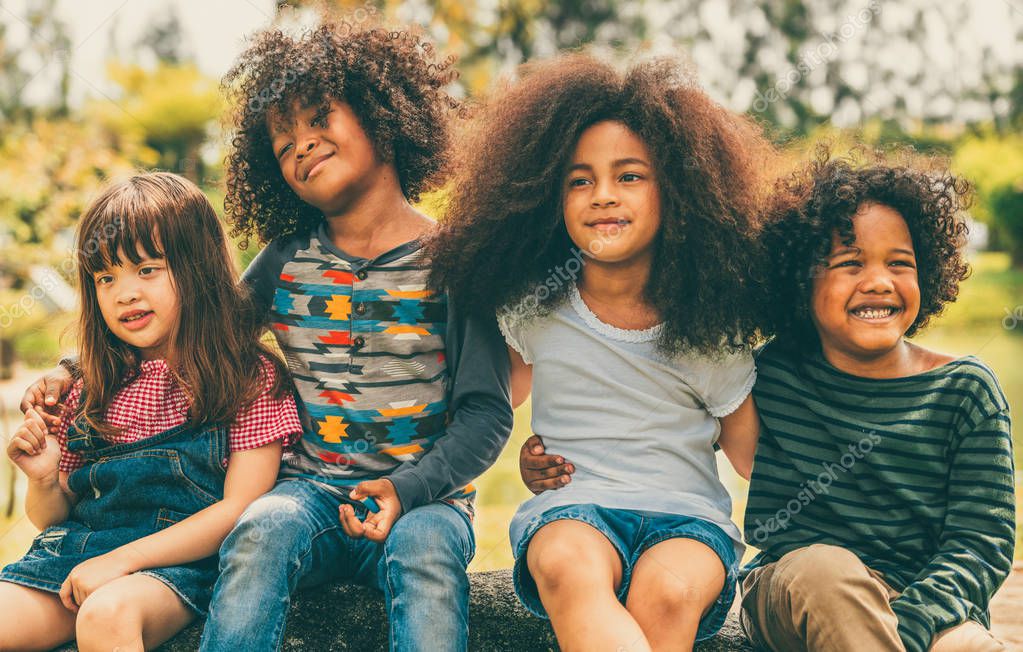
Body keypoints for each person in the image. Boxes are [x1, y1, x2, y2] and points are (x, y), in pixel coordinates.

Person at [428, 53, 772, 651]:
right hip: (574, 512)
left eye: (630, 176)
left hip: (688, 521)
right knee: (567, 565)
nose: (602, 195)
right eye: (579, 180)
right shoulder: (535, 309)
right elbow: (489, 408)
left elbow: (756, 463)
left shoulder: (710, 334)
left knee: (665, 595)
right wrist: (529, 461)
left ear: (680, 195)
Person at [2, 172, 301, 651]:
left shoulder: (247, 378)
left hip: (177, 568)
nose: (125, 293)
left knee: (107, 614)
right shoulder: (91, 385)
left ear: (198, 269)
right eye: (105, 277)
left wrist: (122, 561)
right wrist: (42, 479)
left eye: (147, 270)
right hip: (75, 559)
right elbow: (54, 517)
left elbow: (239, 508)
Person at [740, 149, 1014, 652]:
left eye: (899, 263)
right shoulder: (768, 374)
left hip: (930, 604)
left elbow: (981, 545)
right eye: (850, 263)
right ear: (802, 283)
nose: (879, 281)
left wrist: (905, 627)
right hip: (798, 586)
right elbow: (668, 429)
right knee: (829, 569)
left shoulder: (966, 392)